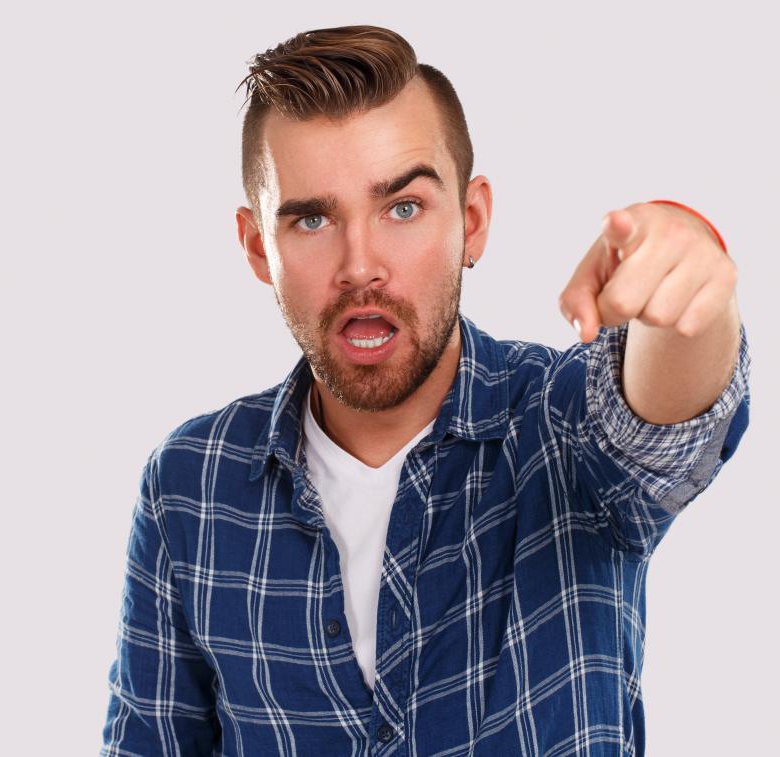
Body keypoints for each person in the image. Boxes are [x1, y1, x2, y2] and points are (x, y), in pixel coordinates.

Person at [100, 24, 751, 756]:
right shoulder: (191, 485)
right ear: (259, 248)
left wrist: (690, 274)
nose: (360, 266)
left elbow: (668, 421)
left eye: (402, 208)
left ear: (471, 223)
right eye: (312, 218)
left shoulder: (561, 421)